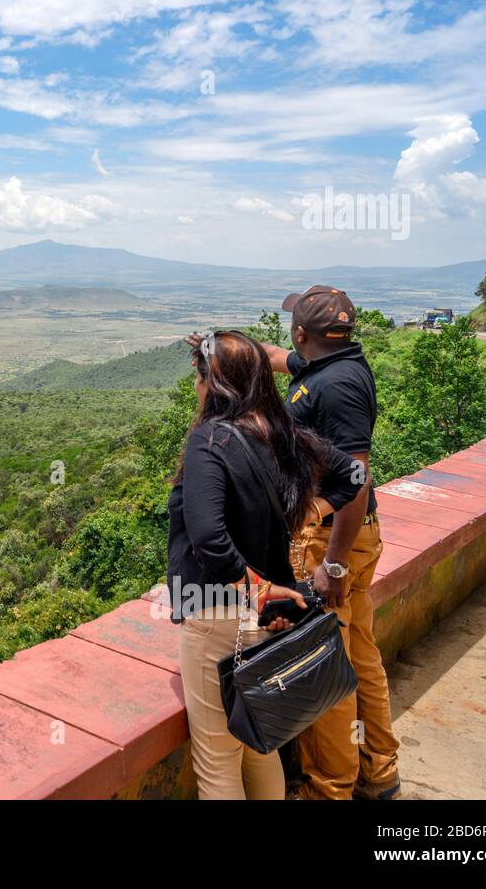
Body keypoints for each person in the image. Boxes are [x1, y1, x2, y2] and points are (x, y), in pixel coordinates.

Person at [168, 330, 362, 800]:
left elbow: (210, 536)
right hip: (272, 614)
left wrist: (252, 588)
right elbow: (354, 475)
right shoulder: (280, 432)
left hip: (220, 610)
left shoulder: (209, 441)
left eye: (198, 374)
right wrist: (311, 511)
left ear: (212, 382)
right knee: (259, 744)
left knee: (216, 761)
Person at [255, 285, 402, 801]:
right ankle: (379, 771)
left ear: (303, 332)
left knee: (324, 667)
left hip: (330, 538)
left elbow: (355, 479)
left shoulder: (336, 385)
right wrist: (221, 348)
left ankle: (329, 789)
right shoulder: (328, 361)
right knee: (358, 652)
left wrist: (333, 564)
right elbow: (273, 358)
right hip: (347, 537)